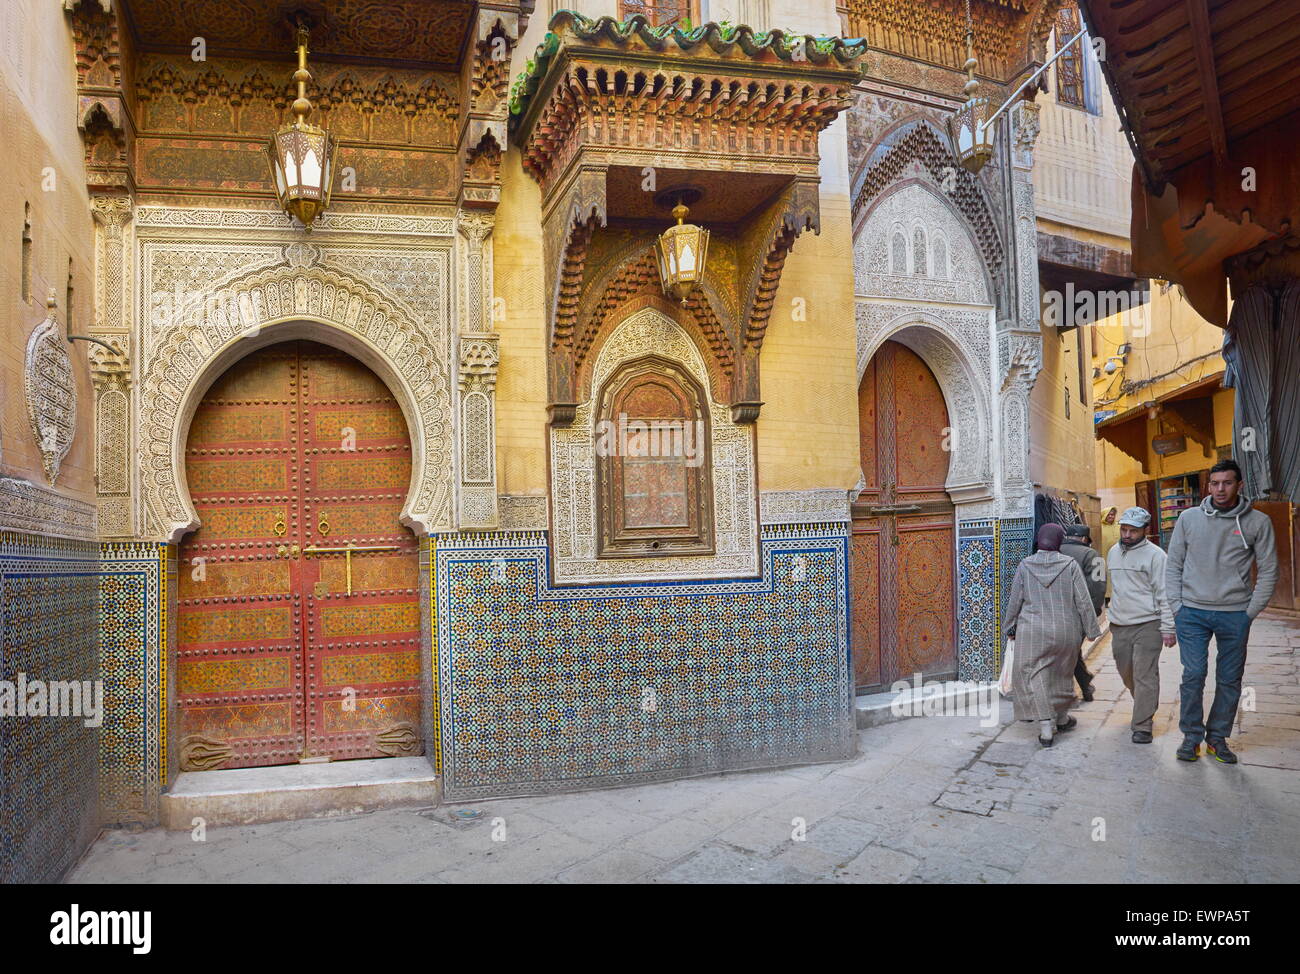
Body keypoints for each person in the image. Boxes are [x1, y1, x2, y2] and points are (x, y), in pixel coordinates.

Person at [1166, 458, 1278, 763]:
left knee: (1230, 679)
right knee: (1194, 674)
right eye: (1215, 483)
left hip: (1235, 614)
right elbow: (1173, 564)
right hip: (1192, 612)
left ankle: (1217, 739)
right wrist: (1177, 606)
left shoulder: (1257, 523)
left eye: (1227, 483)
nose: (1220, 489)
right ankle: (1191, 738)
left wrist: (1250, 611)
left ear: (1239, 485)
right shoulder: (1189, 519)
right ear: (1208, 485)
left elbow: (1269, 570)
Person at [1004, 523, 1102, 747]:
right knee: (1062, 674)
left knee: (1036, 675)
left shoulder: (1025, 566)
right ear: (1058, 542)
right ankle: (1063, 718)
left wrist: (1010, 627)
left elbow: (1015, 601)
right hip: (1065, 630)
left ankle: (1047, 728)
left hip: (1032, 631)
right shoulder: (1070, 565)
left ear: (1039, 541)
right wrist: (1091, 629)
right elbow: (1083, 600)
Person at [1106, 507, 1176, 743]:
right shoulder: (1113, 552)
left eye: (1133, 531)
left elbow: (1165, 593)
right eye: (1124, 529)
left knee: (1145, 674)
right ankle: (1145, 702)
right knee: (1126, 673)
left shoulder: (1157, 556)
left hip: (1149, 624)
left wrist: (1168, 627)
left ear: (1145, 530)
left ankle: (1143, 724)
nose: (1126, 534)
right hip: (1119, 624)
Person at [1061, 524, 1106, 701]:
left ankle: (1085, 685)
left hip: (1055, 611)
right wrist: (1094, 612)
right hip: (1079, 613)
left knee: (1071, 651)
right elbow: (1099, 585)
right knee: (1072, 652)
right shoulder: (1093, 555)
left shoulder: (1055, 549)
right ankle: (1083, 686)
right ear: (1085, 539)